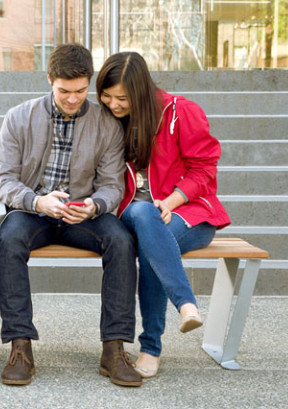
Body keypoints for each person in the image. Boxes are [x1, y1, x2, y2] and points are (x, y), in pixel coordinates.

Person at [0, 43, 142, 388]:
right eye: (64, 91)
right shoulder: (19, 117)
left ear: (88, 83)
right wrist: (36, 202)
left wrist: (96, 206)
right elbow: (2, 180)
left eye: (80, 91)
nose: (73, 98)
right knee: (9, 237)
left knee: (120, 240)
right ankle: (20, 347)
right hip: (33, 211)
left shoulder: (107, 123)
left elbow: (111, 185)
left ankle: (114, 349)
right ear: (49, 80)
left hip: (83, 214)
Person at [96, 52, 231, 378]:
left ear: (140, 91)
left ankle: (151, 346)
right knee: (144, 215)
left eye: (122, 98)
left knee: (155, 240)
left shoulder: (180, 113)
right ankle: (185, 305)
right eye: (107, 96)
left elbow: (204, 170)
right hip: (134, 212)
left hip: (189, 212)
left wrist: (170, 201)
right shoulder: (107, 120)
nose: (113, 104)